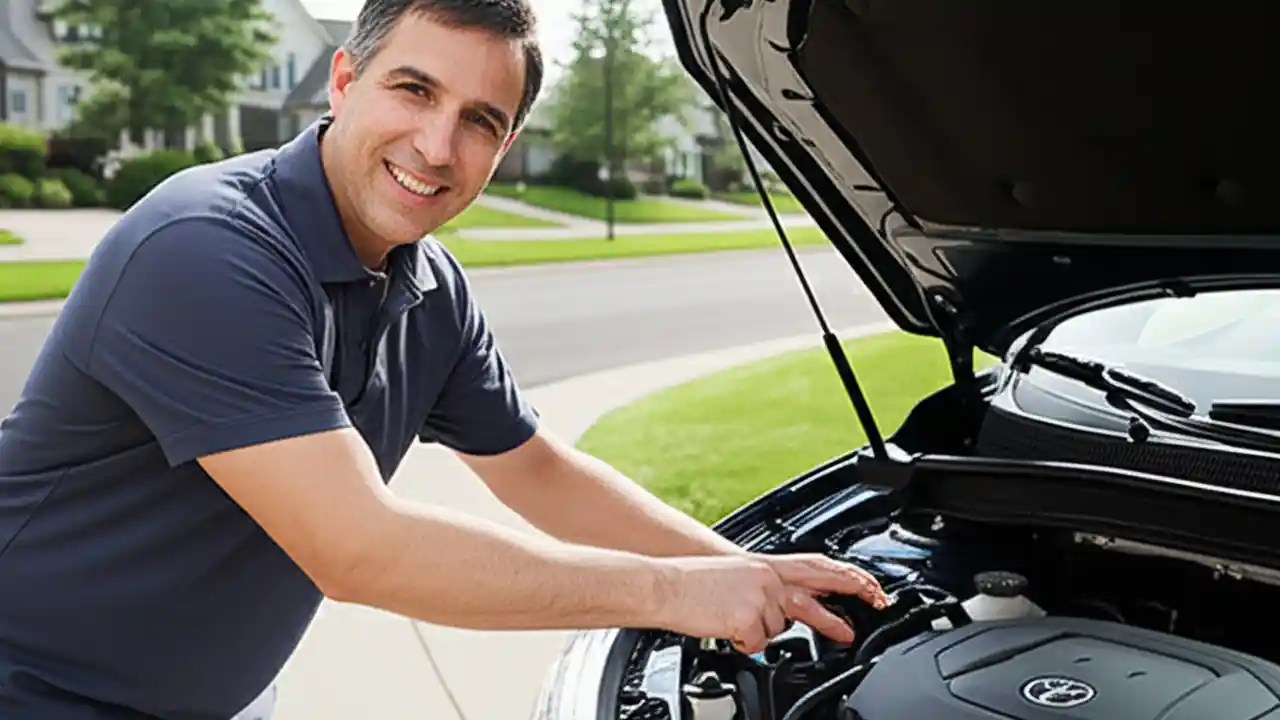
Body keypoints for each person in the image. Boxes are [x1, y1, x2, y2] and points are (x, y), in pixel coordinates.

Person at [0, 1, 887, 717]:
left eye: (478, 121)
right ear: (344, 81)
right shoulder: (207, 247)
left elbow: (538, 472)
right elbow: (361, 551)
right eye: (414, 91)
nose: (436, 146)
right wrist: (674, 595)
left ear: (504, 149)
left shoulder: (428, 285)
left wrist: (741, 573)